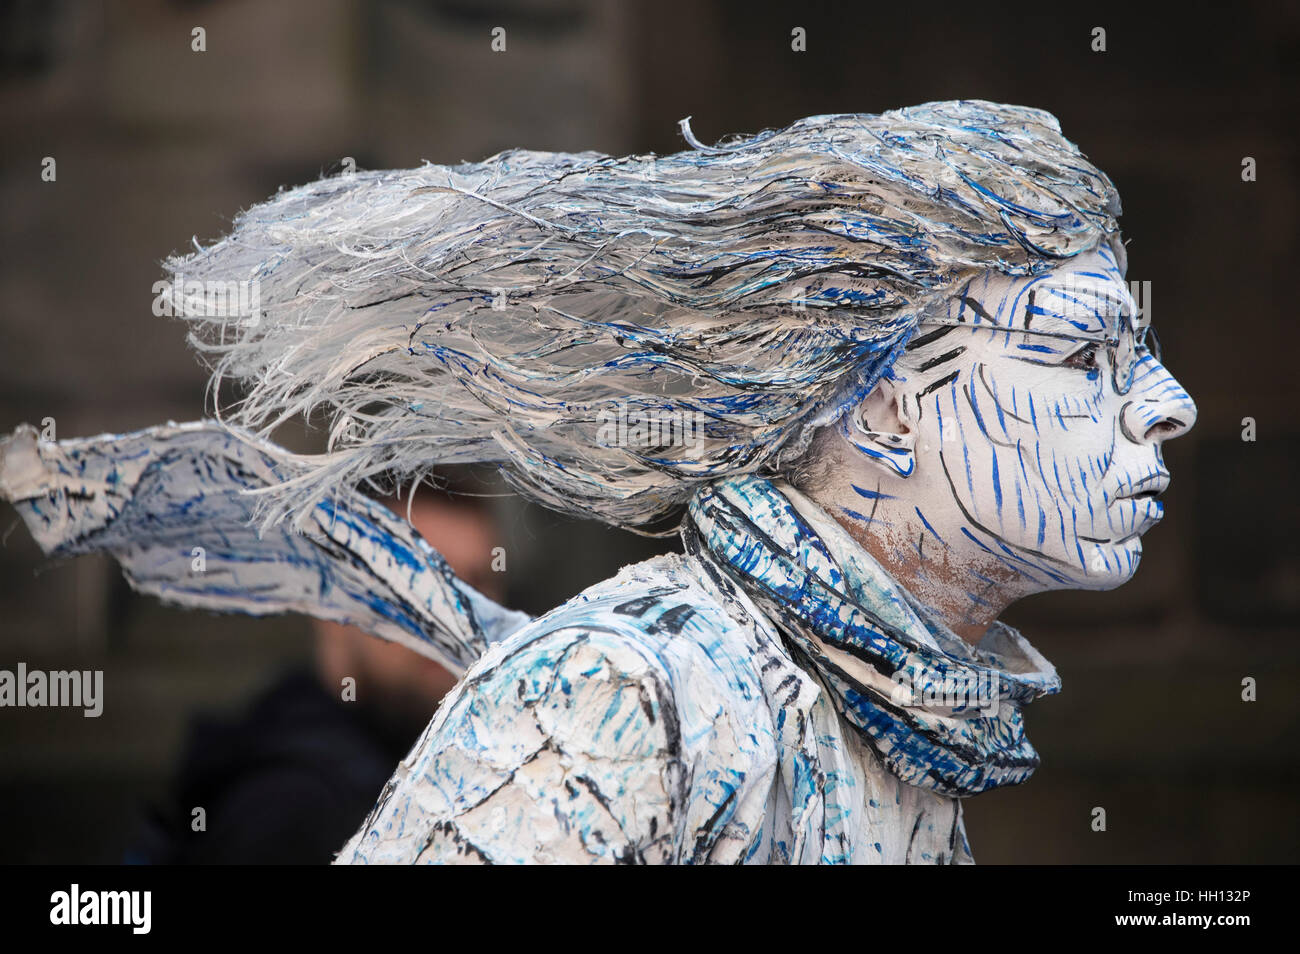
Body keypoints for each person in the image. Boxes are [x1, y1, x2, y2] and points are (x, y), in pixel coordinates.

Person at [0, 100, 1195, 864]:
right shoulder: (624, 694)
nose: (1168, 401)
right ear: (883, 404)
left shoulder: (910, 741)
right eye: (1079, 351)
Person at [125, 482, 503, 864]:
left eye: (475, 584)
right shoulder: (293, 808)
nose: (453, 616)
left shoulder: (452, 770)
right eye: (417, 583)